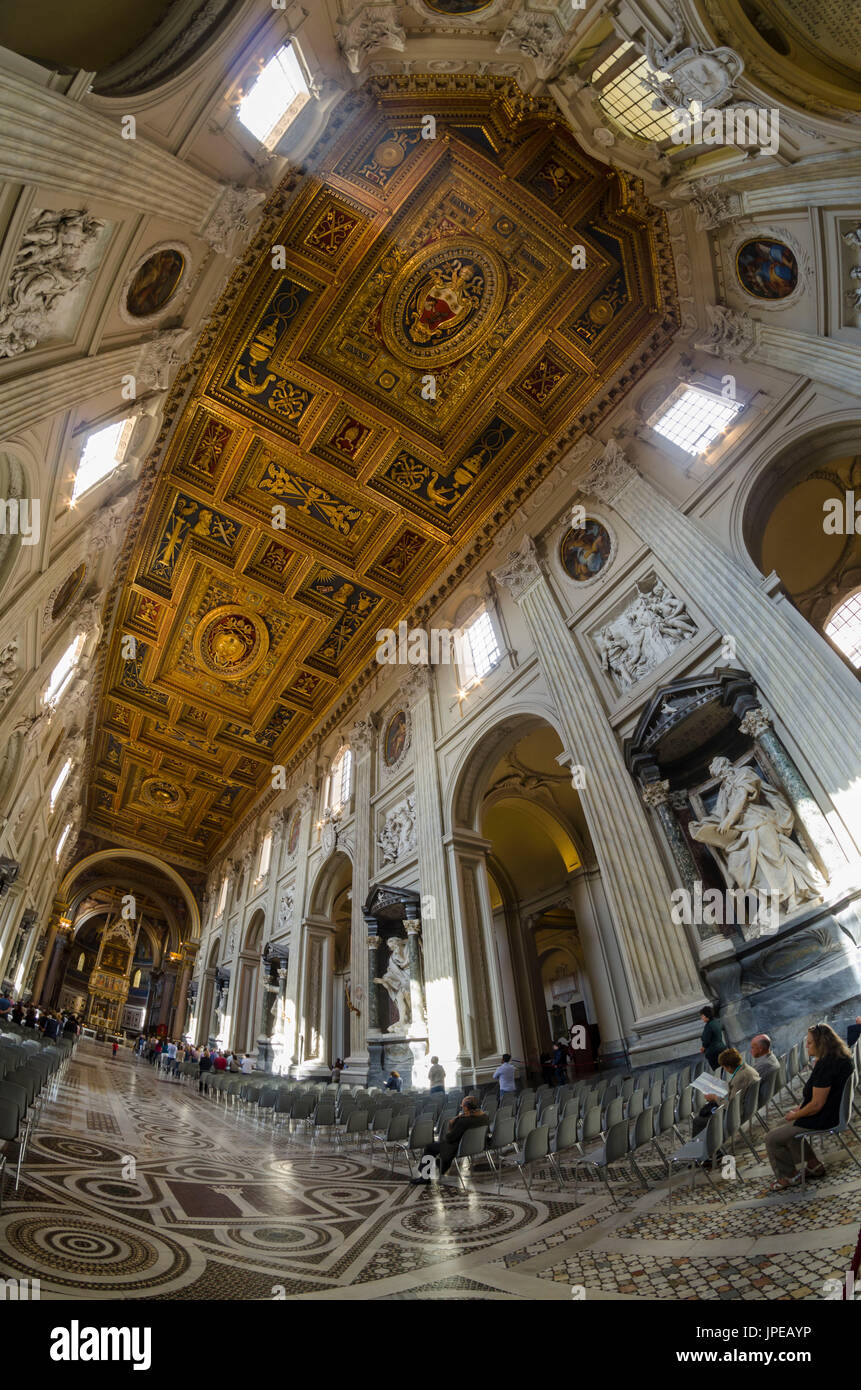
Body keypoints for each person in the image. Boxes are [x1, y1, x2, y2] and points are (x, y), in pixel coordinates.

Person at [765, 1022, 854, 1191]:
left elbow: (816, 1105)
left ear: (822, 1043)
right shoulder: (838, 1057)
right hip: (834, 1112)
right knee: (787, 1129)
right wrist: (800, 1109)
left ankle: (789, 1176)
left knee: (772, 1138)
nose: (806, 1046)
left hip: (826, 1117)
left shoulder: (827, 1065)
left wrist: (797, 1115)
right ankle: (814, 1165)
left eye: (810, 1043)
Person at [412, 1096, 489, 1183]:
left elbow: (450, 1138)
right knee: (441, 1148)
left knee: (430, 1147)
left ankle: (425, 1177)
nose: (461, 1107)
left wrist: (452, 1124)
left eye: (462, 1105)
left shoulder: (463, 1121)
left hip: (459, 1149)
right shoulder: (484, 1117)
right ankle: (441, 1166)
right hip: (478, 1145)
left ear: (466, 1107)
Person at [691, 1047, 759, 1137]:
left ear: (729, 1066)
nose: (725, 1069)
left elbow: (731, 1105)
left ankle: (708, 1147)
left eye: (724, 1067)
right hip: (746, 1106)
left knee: (698, 1121)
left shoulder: (740, 1078)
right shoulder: (747, 1069)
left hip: (737, 1113)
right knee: (706, 1110)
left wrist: (715, 1098)